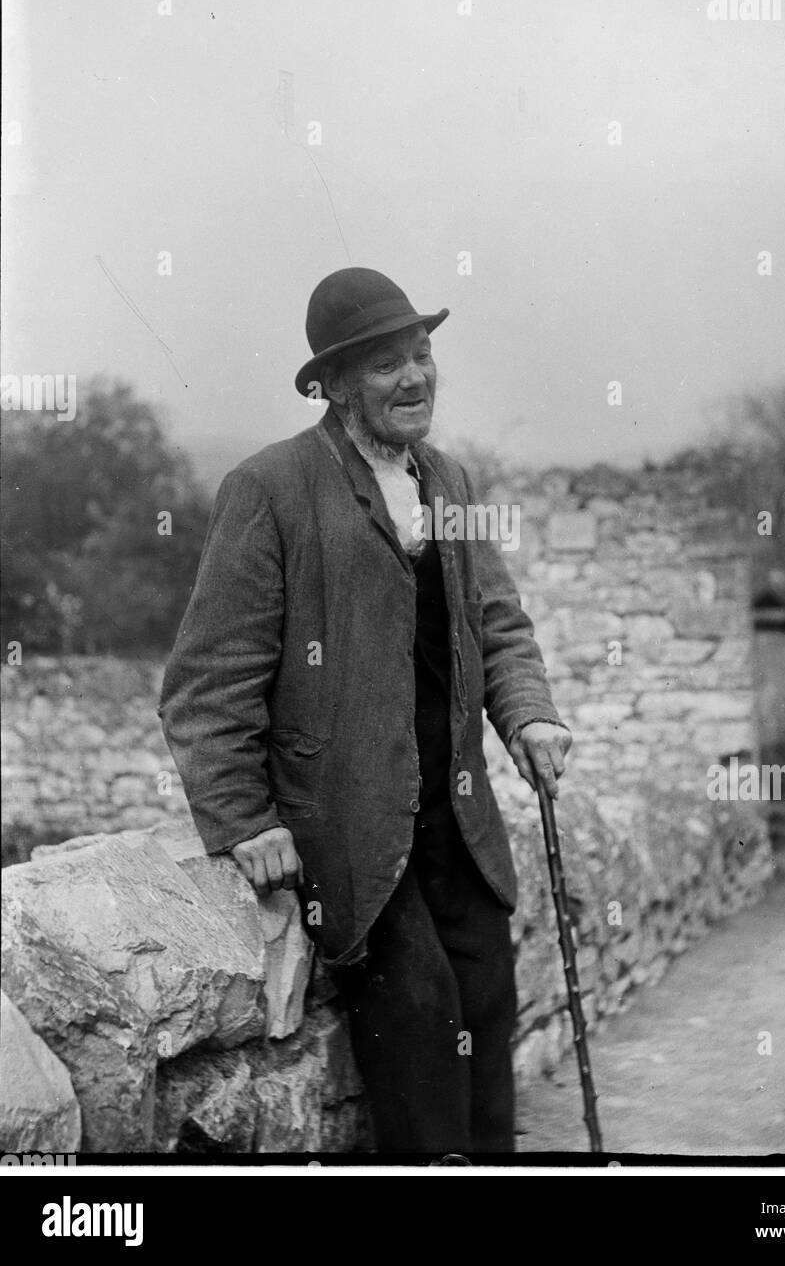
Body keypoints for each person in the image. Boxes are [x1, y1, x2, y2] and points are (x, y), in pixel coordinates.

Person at [159, 266, 571, 1156]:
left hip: (457, 819)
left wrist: (530, 716)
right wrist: (242, 818)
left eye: (423, 355)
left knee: (489, 1004)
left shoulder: (449, 482)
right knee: (419, 1020)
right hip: (348, 827)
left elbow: (498, 625)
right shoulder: (270, 490)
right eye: (387, 366)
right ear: (336, 383)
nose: (415, 379)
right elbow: (206, 681)